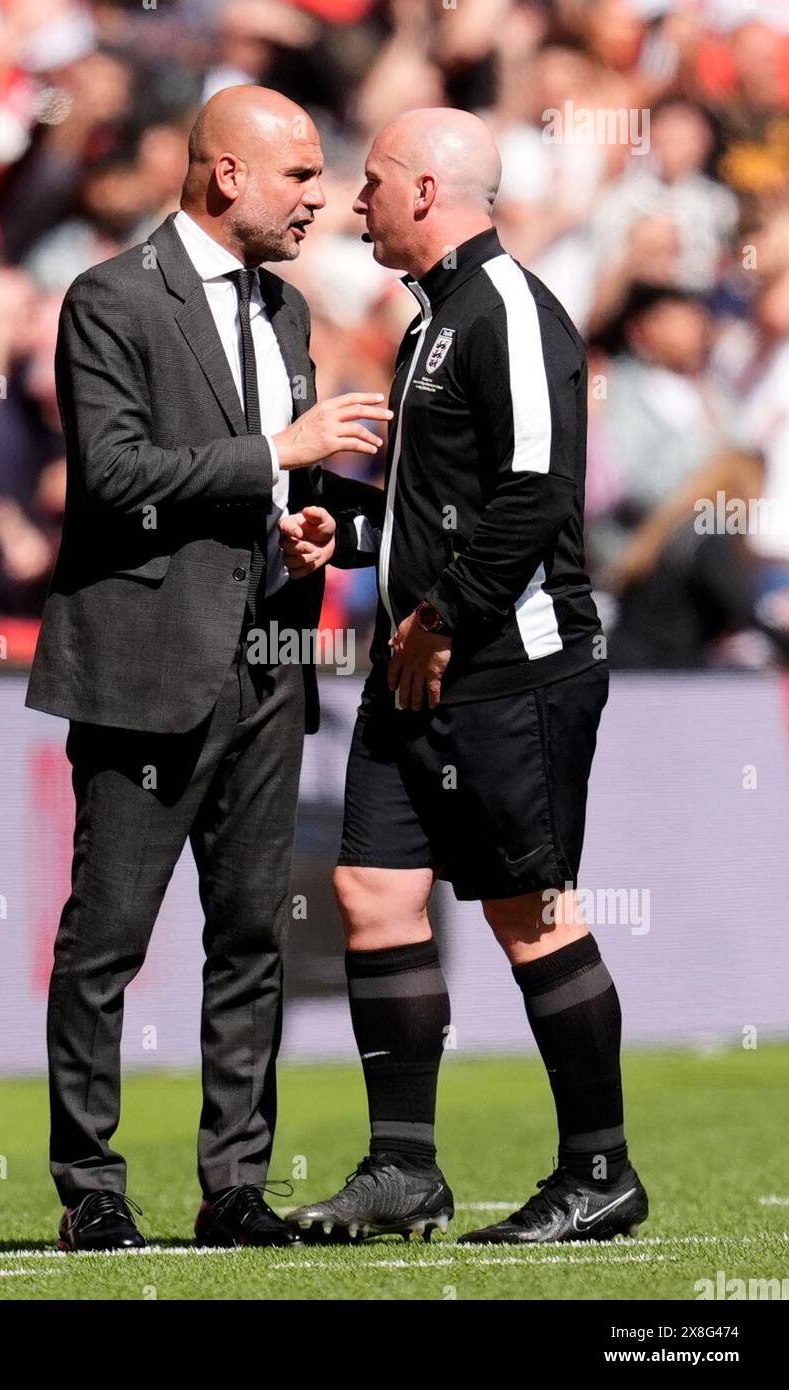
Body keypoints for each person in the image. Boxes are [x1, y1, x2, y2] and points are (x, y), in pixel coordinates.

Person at [25, 85, 391, 1251]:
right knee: (107, 941)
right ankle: (91, 1189)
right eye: (300, 175)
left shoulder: (284, 314)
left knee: (251, 937)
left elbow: (252, 486)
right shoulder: (109, 298)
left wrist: (301, 524)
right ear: (227, 173)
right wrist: (276, 453)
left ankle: (233, 1184)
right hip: (142, 666)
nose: (320, 196)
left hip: (267, 668)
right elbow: (116, 475)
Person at [281, 109, 648, 1245]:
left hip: (506, 666)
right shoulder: (434, 320)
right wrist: (341, 533)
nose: (355, 202)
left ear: (428, 190)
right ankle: (403, 1169)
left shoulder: (513, 313)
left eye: (374, 182)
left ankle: (600, 1170)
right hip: (421, 664)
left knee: (529, 914)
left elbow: (540, 494)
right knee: (371, 893)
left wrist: (441, 614)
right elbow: (435, 509)